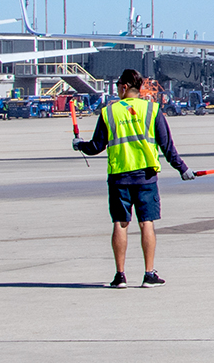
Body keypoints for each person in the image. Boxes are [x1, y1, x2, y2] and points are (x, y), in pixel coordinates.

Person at [74, 69, 192, 288]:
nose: (117, 88)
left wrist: (79, 145)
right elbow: (167, 146)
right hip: (145, 176)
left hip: (119, 176)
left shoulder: (109, 112)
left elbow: (96, 146)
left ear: (126, 86)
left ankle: (120, 275)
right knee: (146, 222)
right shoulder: (152, 109)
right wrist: (182, 169)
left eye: (119, 84)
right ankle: (149, 273)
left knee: (120, 223)